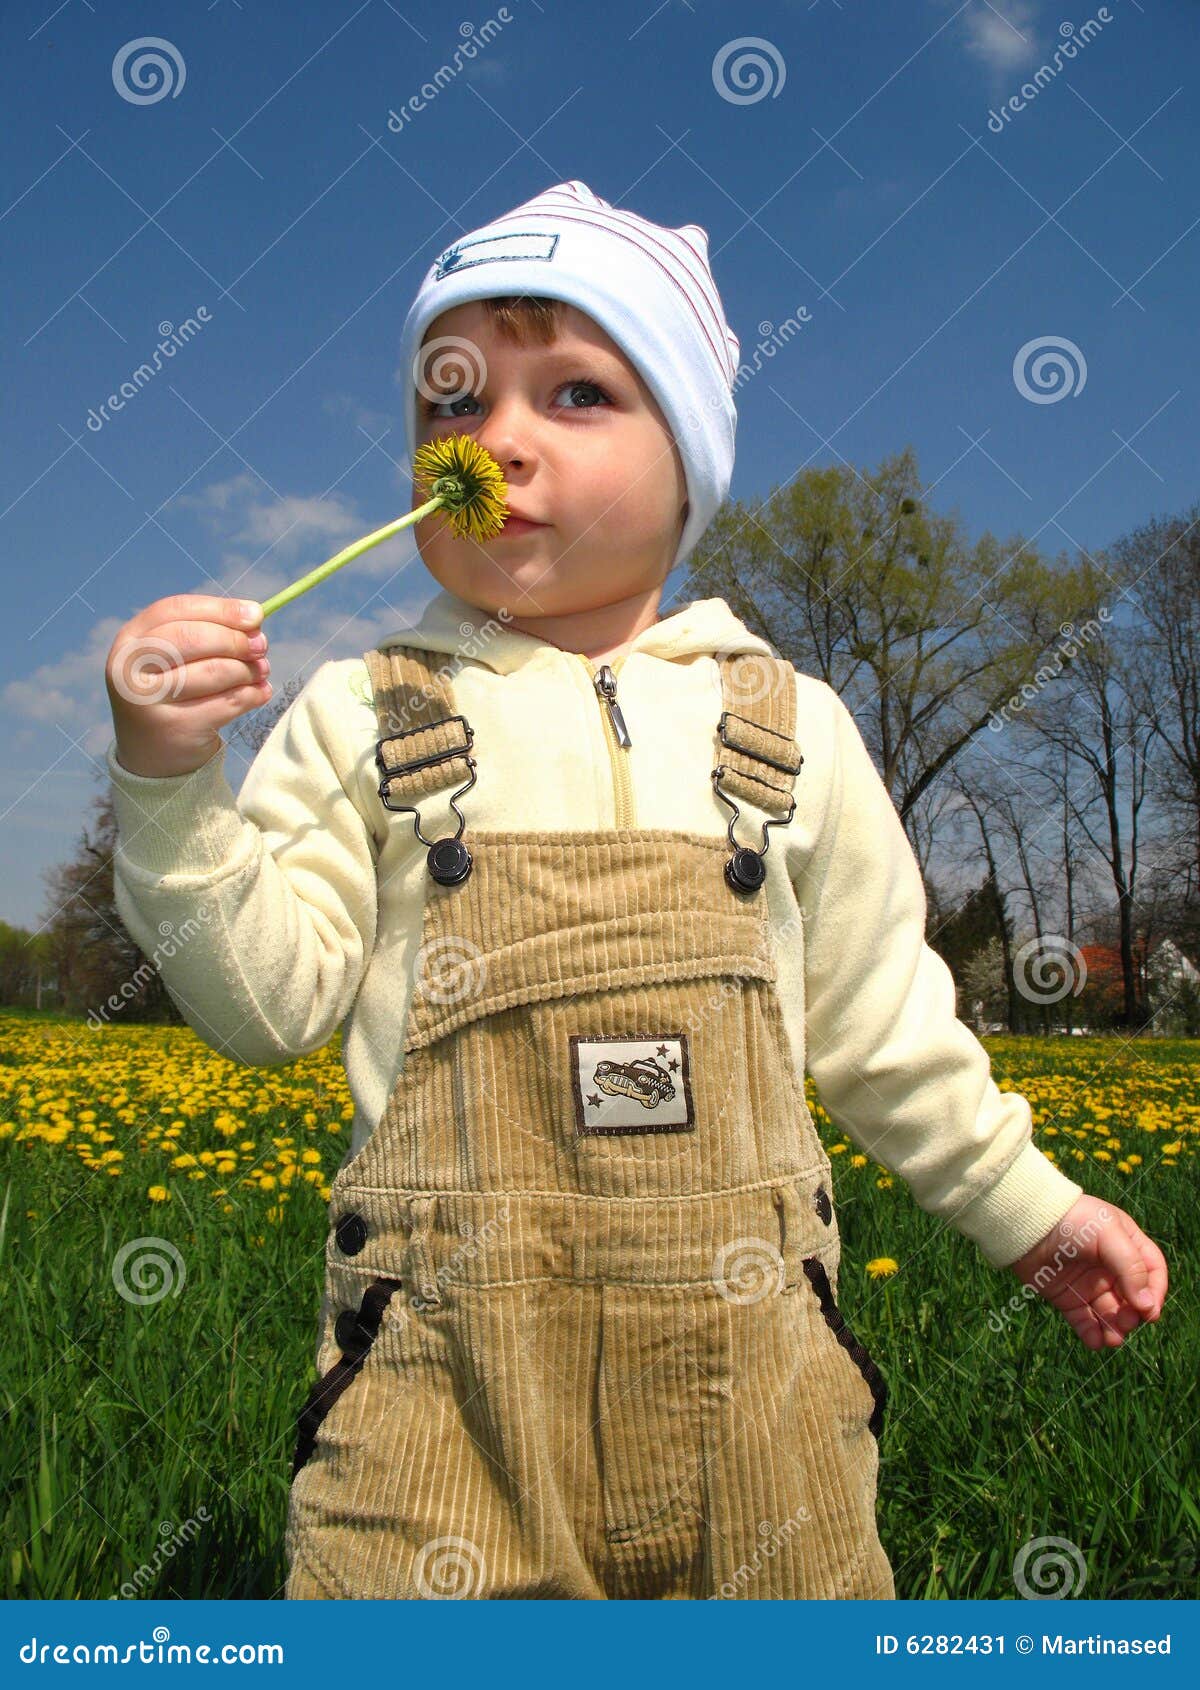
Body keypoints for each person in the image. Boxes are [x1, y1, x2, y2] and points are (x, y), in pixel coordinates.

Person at [103, 181, 1167, 1601]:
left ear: (694, 466)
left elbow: (882, 1029)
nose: (495, 439)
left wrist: (1032, 1208)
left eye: (580, 393)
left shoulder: (796, 725)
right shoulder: (361, 711)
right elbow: (264, 1004)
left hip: (759, 1404)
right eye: (450, 400)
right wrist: (170, 784)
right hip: (445, 1395)